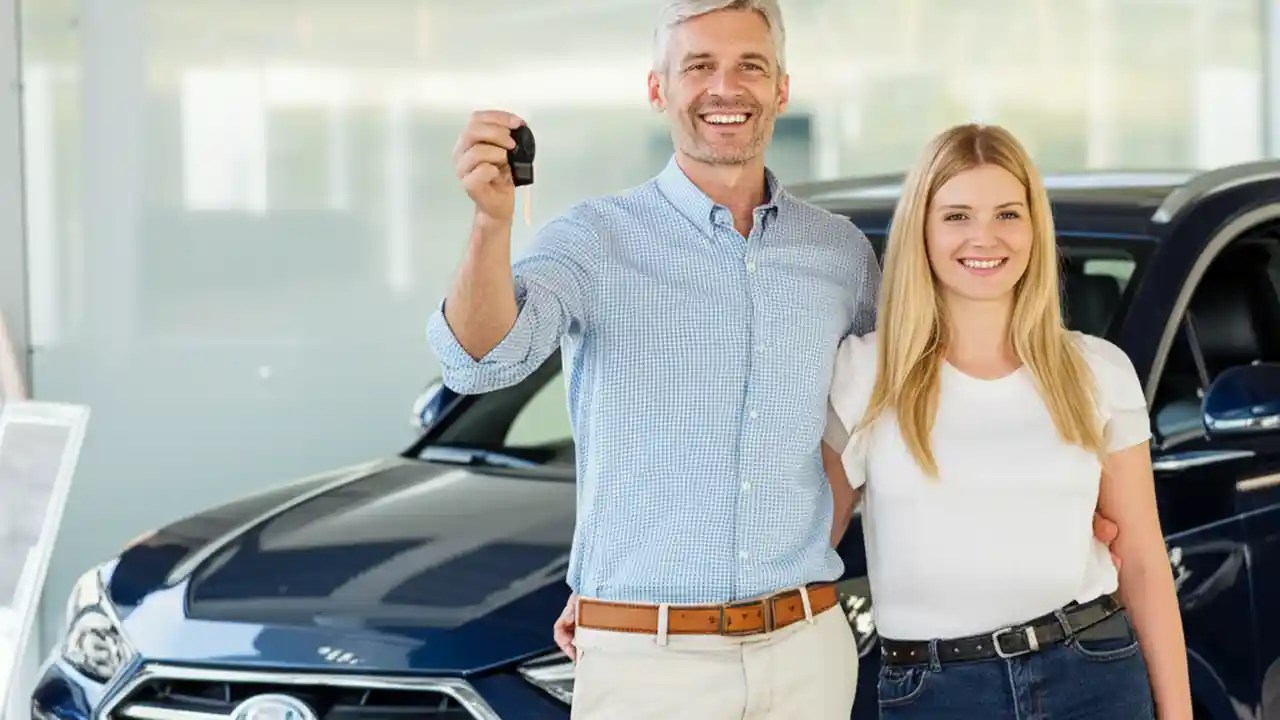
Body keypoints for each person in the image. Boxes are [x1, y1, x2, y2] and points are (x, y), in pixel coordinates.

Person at [431, 1, 1119, 717]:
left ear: (782, 89)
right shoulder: (594, 240)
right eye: (699, 66)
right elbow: (481, 363)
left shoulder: (841, 254)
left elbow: (914, 408)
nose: (725, 88)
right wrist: (490, 223)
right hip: (647, 660)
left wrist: (1052, 515)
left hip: (806, 652)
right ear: (658, 88)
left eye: (750, 66)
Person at [820, 123, 1193, 719]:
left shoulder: (1097, 372)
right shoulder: (867, 374)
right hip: (938, 695)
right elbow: (800, 548)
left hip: (1092, 676)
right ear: (921, 230)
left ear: (1034, 227)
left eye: (1008, 214)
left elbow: (1144, 563)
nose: (984, 237)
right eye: (957, 216)